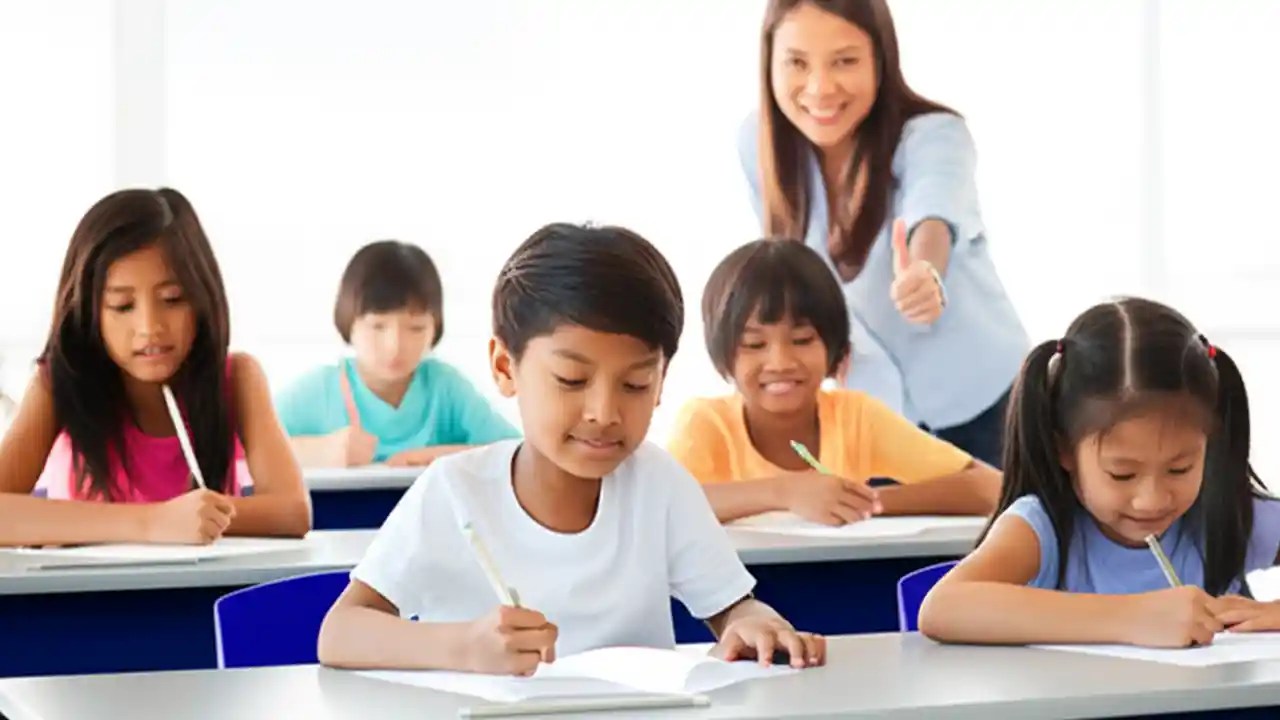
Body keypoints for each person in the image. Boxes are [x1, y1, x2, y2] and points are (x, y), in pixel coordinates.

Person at [318, 223, 826, 673]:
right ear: (503, 367)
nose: (603, 412)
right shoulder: (455, 490)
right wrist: (464, 647)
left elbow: (733, 609)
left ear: (662, 381)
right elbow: (340, 633)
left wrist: (756, 622)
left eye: (634, 385)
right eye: (571, 379)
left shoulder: (659, 483)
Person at [740, 0, 1027, 466]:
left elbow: (933, 211)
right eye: (797, 62)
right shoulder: (758, 145)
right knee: (883, 535)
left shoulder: (935, 134)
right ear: (769, 61)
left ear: (881, 58)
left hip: (986, 400)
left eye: (845, 61)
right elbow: (787, 267)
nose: (820, 87)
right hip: (874, 411)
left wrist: (923, 271)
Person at [919, 298, 1280, 648]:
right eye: (1121, 475)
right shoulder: (1042, 528)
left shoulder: (1228, 514)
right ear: (1065, 451)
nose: (1151, 499)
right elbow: (944, 607)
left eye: (1179, 468)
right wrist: (1135, 617)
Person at [0, 188, 310, 547]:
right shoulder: (57, 384)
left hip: (202, 594)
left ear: (203, 298)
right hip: (88, 598)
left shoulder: (237, 378)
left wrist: (192, 519)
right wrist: (152, 522)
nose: (150, 327)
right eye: (122, 305)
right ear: (87, 312)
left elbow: (292, 511)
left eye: (172, 300)